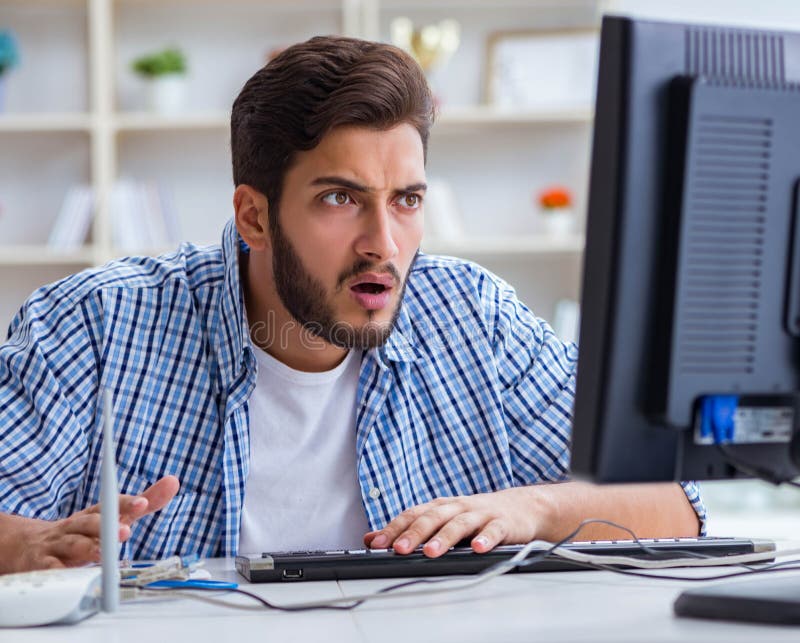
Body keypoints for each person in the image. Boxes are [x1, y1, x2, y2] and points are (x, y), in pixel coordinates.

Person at [0, 36, 704, 573]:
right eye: (341, 198)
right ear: (254, 216)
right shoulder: (97, 323)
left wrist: (536, 507)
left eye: (406, 201)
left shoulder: (474, 318)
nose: (384, 243)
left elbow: (677, 504)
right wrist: (29, 545)